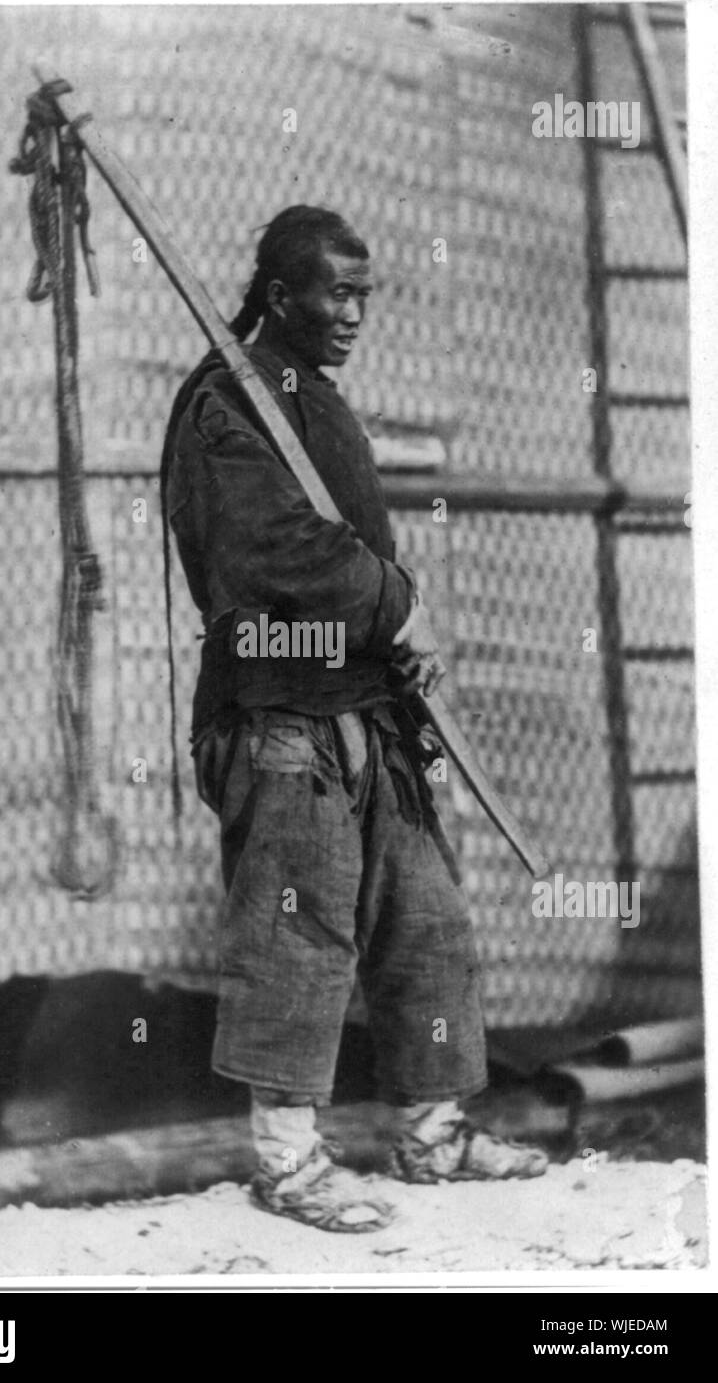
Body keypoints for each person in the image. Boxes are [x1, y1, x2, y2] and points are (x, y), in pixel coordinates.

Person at [162, 205, 547, 1232]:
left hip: (369, 713)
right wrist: (397, 603)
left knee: (425, 922)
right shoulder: (224, 405)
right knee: (298, 933)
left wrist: (391, 631)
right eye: (334, 293)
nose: (351, 313)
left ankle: (430, 1131)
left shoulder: (303, 399)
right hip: (281, 714)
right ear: (281, 297)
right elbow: (269, 551)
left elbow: (341, 547)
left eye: (363, 294)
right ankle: (286, 1161)